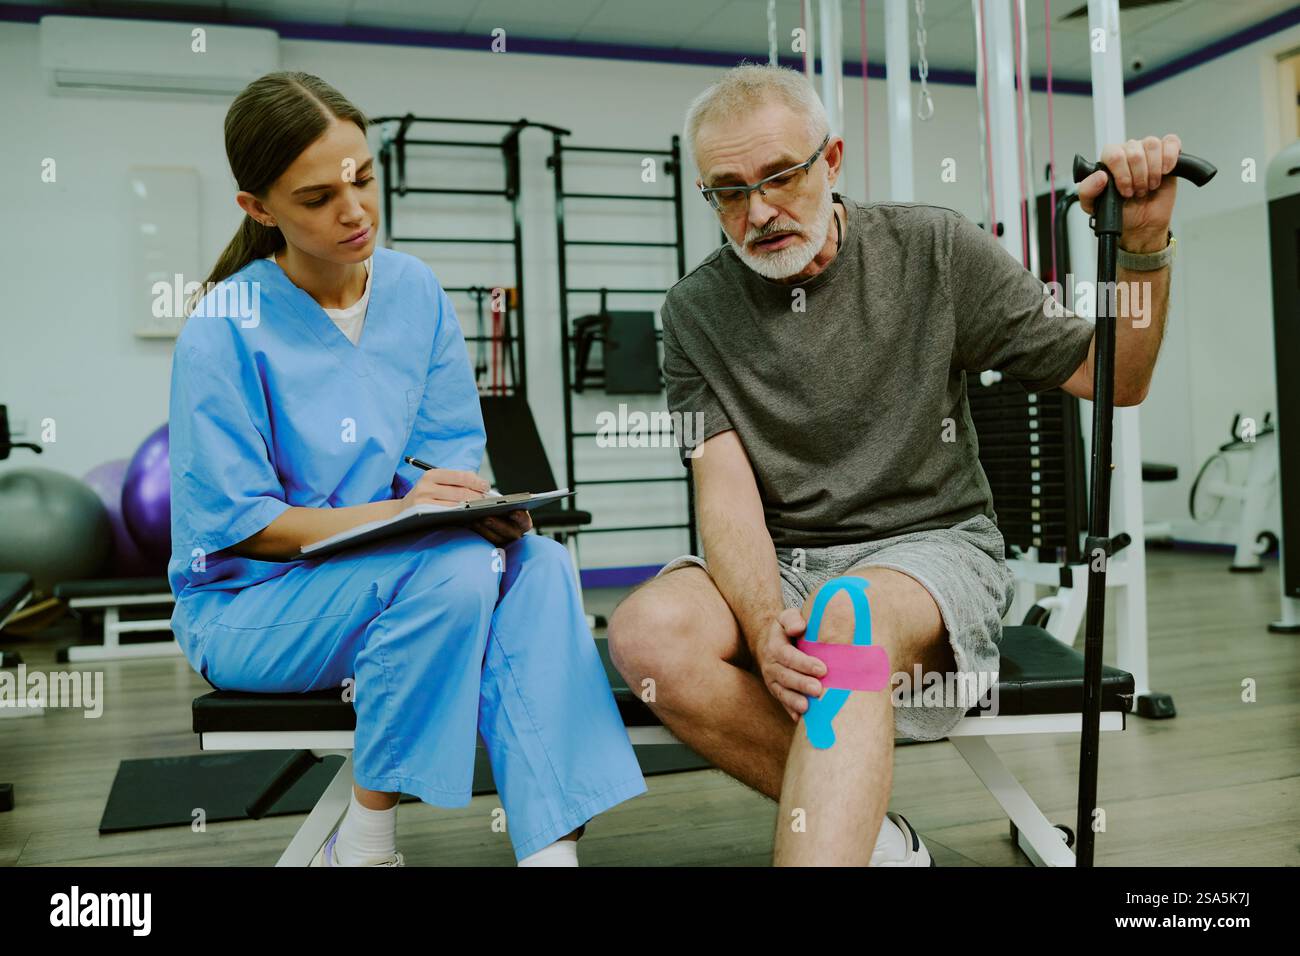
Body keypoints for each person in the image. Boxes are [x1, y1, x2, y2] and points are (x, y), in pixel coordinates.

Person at [608, 63, 1181, 866]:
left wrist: (1146, 248)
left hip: (932, 553)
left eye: (781, 176)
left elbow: (1116, 378)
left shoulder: (934, 250)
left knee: (850, 617)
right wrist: (766, 624)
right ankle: (871, 831)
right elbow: (726, 495)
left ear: (833, 159)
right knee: (646, 634)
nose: (758, 211)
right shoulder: (696, 311)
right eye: (728, 191)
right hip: (788, 563)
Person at [167, 72, 645, 867]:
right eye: (318, 198)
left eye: (362, 178)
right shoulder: (225, 326)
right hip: (253, 608)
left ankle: (551, 855)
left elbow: (445, 458)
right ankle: (365, 841)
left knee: (541, 565)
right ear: (260, 209)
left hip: (400, 567)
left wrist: (476, 505)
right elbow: (246, 528)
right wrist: (403, 519)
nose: (353, 209)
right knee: (454, 574)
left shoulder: (415, 293)